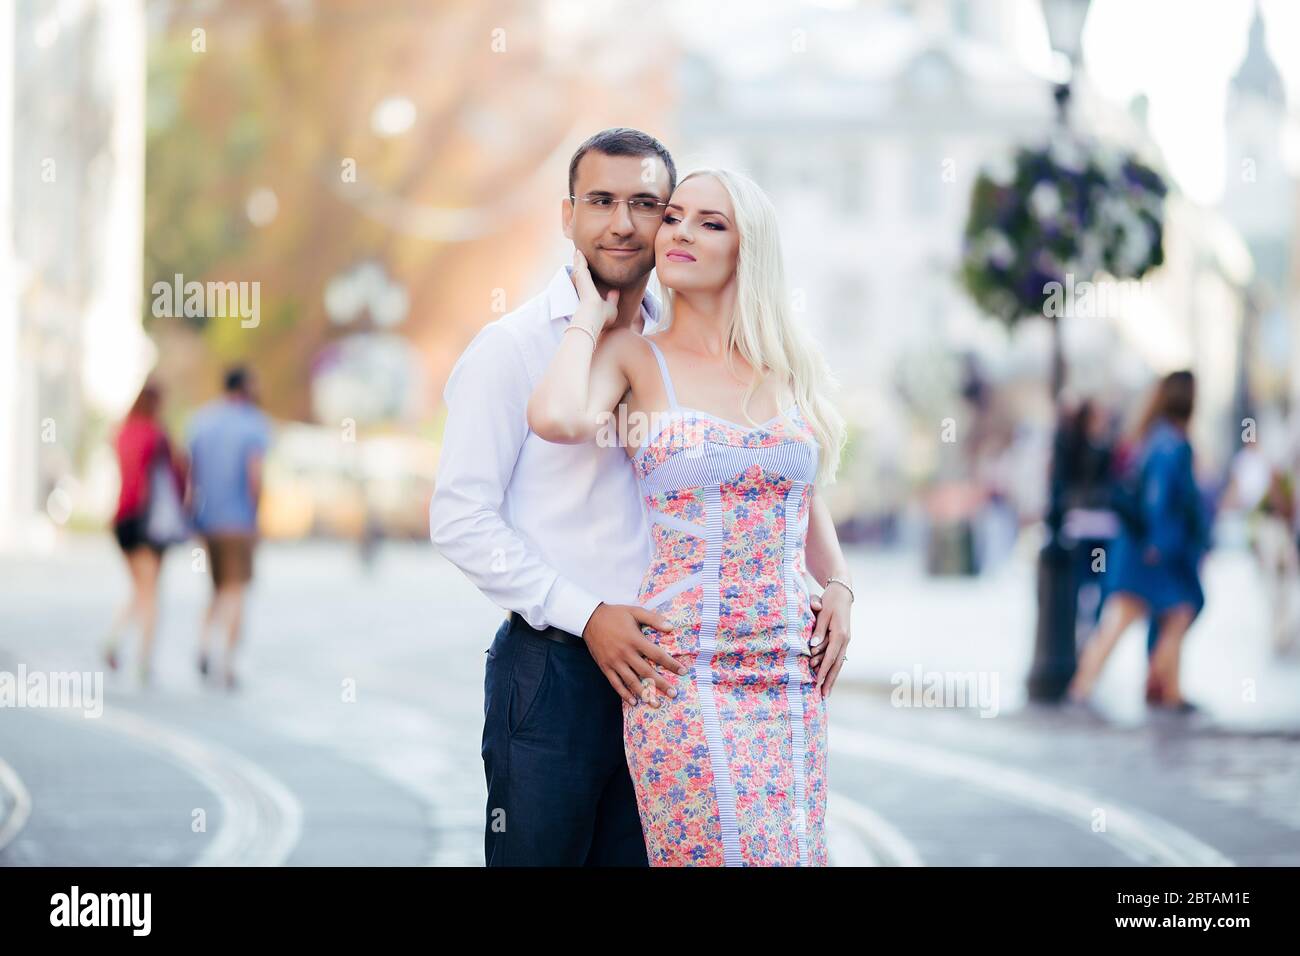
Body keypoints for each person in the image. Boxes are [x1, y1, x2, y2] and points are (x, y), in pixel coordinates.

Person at [527, 166, 852, 866]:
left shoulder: (787, 367)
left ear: (748, 250)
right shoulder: (634, 357)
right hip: (684, 670)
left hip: (790, 672)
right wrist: (590, 312)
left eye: (710, 222)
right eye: (673, 216)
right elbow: (553, 416)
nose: (678, 233)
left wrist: (841, 586)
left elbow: (803, 493)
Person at [1067, 371, 1210, 712]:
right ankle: (1154, 688)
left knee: (1139, 617)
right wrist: (1159, 544)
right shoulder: (1171, 443)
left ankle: (1156, 687)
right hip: (1152, 549)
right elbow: (1158, 497)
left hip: (1139, 547)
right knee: (1173, 612)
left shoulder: (1152, 436)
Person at [187, 366, 272, 690]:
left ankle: (204, 644)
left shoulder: (201, 421)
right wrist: (257, 517)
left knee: (216, 589)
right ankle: (227, 663)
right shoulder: (252, 424)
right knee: (236, 592)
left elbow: (191, 473)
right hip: (238, 522)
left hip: (208, 520)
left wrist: (193, 514)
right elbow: (255, 475)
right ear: (246, 387)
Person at [104, 379, 187, 686]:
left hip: (122, 520)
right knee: (151, 593)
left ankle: (114, 640)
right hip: (149, 522)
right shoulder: (157, 436)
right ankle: (144, 661)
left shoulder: (121, 432)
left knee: (139, 588)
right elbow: (177, 476)